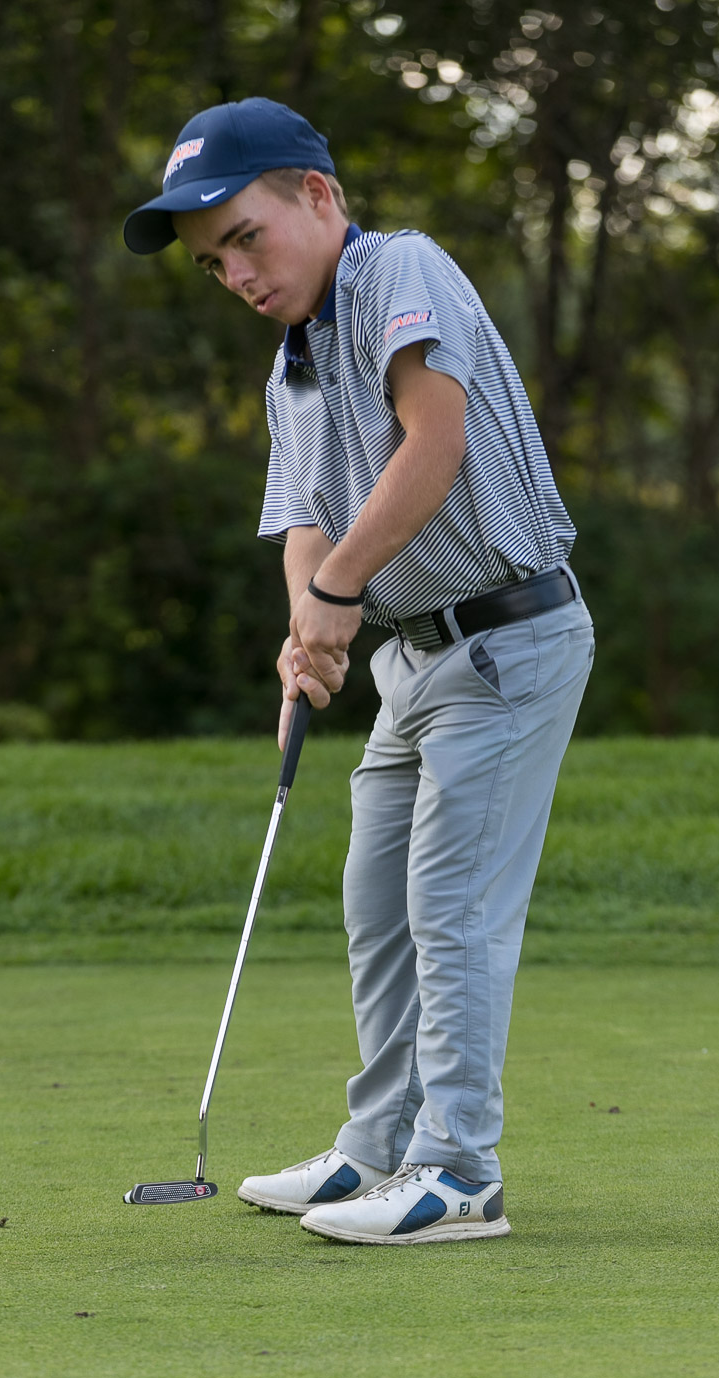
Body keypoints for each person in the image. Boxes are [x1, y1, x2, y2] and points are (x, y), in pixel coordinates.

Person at [124, 97, 593, 1246]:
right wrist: (306, 627)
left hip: (508, 638)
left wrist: (337, 599)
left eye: (244, 235)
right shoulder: (289, 366)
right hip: (416, 659)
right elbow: (300, 517)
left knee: (449, 904)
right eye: (209, 262)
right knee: (374, 903)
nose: (233, 271)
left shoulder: (399, 270)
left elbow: (435, 443)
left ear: (316, 198)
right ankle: (377, 1148)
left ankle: (457, 1172)